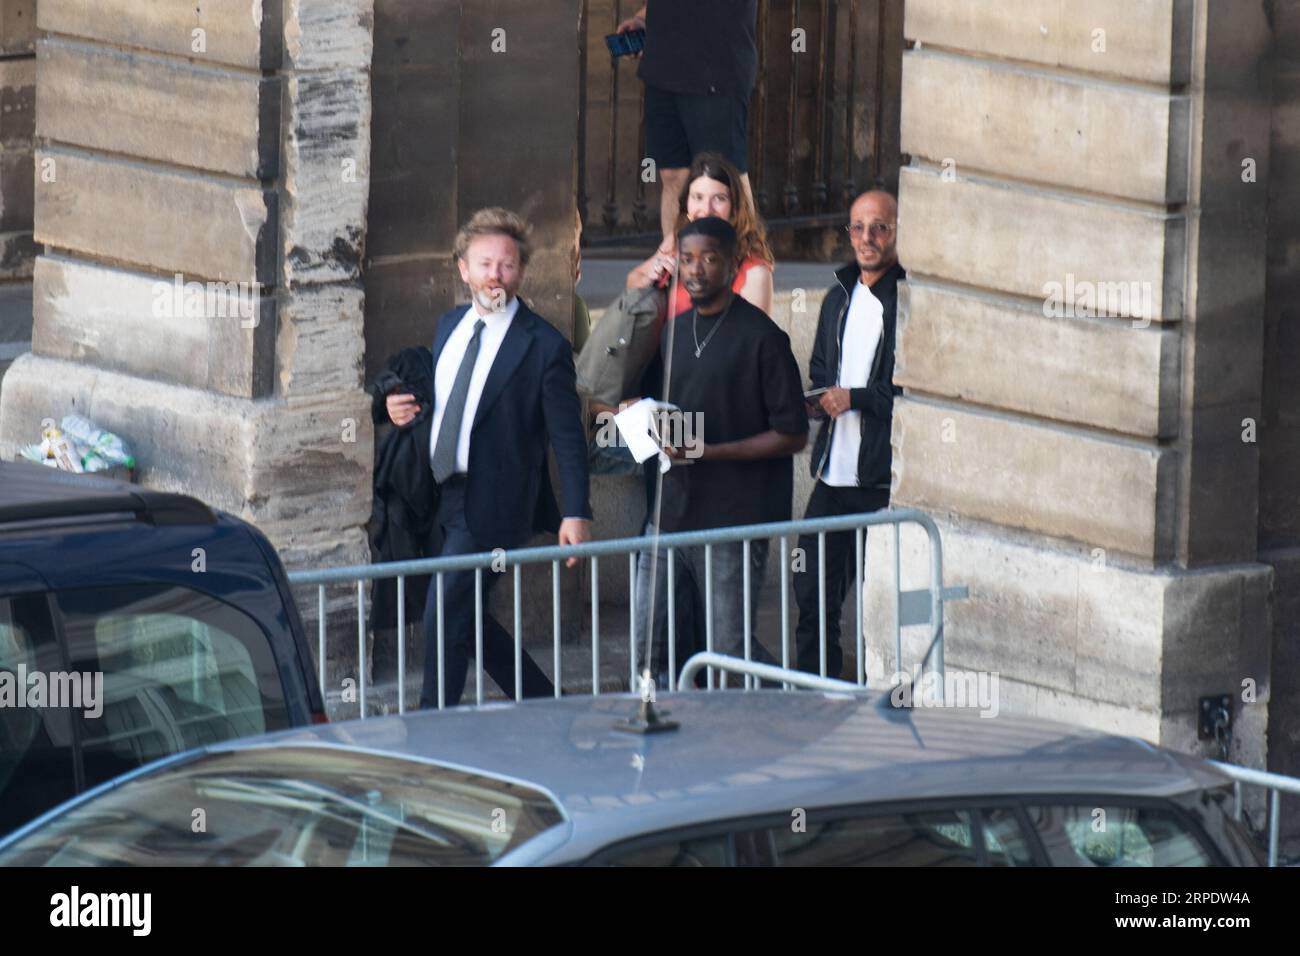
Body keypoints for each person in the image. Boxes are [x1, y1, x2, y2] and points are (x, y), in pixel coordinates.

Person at [384, 207, 593, 707]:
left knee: (443, 610)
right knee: (467, 619)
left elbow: (567, 437)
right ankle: (547, 701)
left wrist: (577, 511)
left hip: (494, 504)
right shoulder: (450, 325)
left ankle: (433, 726)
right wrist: (398, 408)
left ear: (521, 271)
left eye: (506, 265)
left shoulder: (544, 346)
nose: (495, 275)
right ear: (463, 269)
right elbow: (452, 401)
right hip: (439, 497)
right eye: (484, 264)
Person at [634, 216, 807, 688]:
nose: (696, 269)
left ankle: (762, 718)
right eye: (687, 258)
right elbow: (659, 404)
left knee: (728, 653)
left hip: (732, 520)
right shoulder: (673, 330)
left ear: (732, 265)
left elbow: (793, 433)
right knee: (650, 649)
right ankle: (655, 740)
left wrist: (712, 452)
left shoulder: (764, 339)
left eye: (709, 258)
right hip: (668, 517)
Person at [795, 190, 905, 678]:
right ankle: (818, 687)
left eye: (879, 227)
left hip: (877, 481)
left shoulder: (907, 302)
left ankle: (873, 691)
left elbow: (908, 390)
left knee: (876, 600)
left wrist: (855, 399)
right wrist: (819, 401)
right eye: (858, 227)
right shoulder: (838, 295)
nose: (867, 238)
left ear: (898, 232)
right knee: (811, 588)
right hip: (831, 473)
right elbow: (821, 369)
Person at [616, 2, 759, 257]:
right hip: (665, 68)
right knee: (672, 174)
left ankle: (749, 271)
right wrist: (642, 19)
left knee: (727, 176)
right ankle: (680, 270)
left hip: (718, 65)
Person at [625, 151, 773, 316]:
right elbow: (633, 280)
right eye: (698, 197)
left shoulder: (754, 271)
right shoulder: (676, 242)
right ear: (686, 203)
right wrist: (651, 279)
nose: (706, 209)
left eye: (719, 198)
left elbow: (754, 338)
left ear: (734, 207)